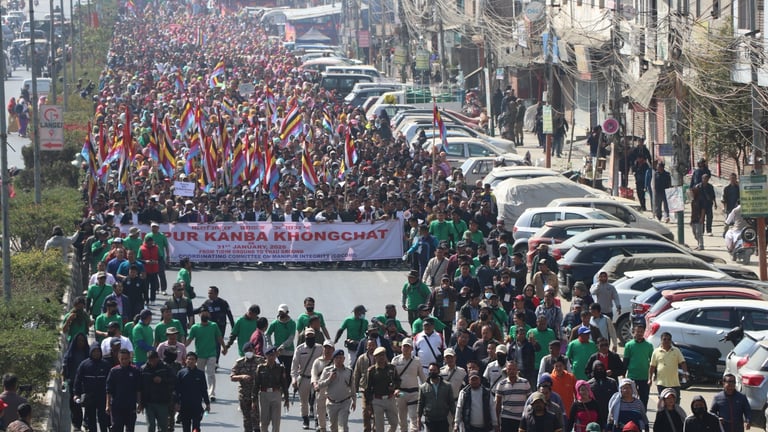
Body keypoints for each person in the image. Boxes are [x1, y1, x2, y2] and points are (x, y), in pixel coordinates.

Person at [185, 306, 227, 401]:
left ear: (209, 314)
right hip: (199, 355)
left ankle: (211, 393)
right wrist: (182, 348)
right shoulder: (195, 328)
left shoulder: (213, 326)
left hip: (211, 354)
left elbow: (219, 337)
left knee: (211, 373)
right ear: (199, 315)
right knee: (199, 375)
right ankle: (200, 392)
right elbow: (189, 340)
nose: (205, 314)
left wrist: (224, 347)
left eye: (206, 312)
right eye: (203, 312)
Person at [74, 343, 111, 432]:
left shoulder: (106, 365)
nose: (96, 353)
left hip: (102, 396)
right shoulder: (84, 364)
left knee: (103, 419)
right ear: (91, 352)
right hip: (89, 397)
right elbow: (78, 380)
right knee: (91, 420)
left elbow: (111, 382)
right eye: (94, 351)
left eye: (98, 351)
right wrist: (76, 394)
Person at [252, 346, 290, 432]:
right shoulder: (260, 368)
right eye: (269, 355)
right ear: (266, 356)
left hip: (276, 394)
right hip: (264, 395)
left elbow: (284, 384)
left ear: (276, 356)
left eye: (273, 355)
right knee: (264, 421)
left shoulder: (280, 368)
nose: (271, 357)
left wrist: (286, 399)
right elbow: (256, 384)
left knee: (276, 421)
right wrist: (254, 400)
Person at [392, 337, 425, 432]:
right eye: (404, 346)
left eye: (408, 347)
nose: (406, 349)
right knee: (402, 419)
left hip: (413, 393)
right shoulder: (395, 360)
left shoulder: (417, 361)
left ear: (412, 348)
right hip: (401, 393)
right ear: (401, 347)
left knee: (414, 418)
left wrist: (427, 389)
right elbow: (392, 378)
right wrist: (394, 389)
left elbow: (422, 377)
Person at [292, 328, 324, 429]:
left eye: (311, 336)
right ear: (305, 337)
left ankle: (317, 421)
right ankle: (305, 420)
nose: (310, 338)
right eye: (308, 336)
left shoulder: (320, 348)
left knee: (317, 402)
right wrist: (294, 379)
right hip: (303, 378)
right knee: (304, 401)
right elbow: (294, 366)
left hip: (316, 379)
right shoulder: (299, 349)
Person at [318, 348, 356, 432]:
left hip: (345, 402)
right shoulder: (327, 370)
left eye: (341, 358)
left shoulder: (349, 371)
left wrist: (354, 400)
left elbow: (352, 387)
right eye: (337, 358)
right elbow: (319, 385)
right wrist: (329, 379)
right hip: (332, 403)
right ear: (333, 359)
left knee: (343, 427)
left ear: (344, 359)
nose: (339, 360)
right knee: (333, 427)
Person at [196, 286, 235, 364]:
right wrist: (188, 311)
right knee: (210, 344)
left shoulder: (223, 303)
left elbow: (229, 315)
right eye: (208, 293)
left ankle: (216, 362)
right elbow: (198, 310)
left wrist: (233, 328)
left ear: (216, 294)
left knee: (217, 344)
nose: (209, 295)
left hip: (220, 327)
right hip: (210, 328)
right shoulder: (207, 303)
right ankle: (208, 359)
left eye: (211, 293)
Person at [105, 349, 141, 432]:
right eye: (122, 359)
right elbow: (108, 389)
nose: (124, 361)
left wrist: (139, 403)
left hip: (130, 406)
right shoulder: (114, 371)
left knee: (130, 429)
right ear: (119, 359)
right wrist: (107, 404)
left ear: (130, 358)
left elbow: (138, 389)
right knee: (116, 429)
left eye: (126, 358)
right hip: (117, 406)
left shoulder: (135, 371)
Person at [230, 342, 263, 432]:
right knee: (247, 417)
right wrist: (242, 376)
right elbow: (232, 377)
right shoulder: (239, 362)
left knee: (256, 417)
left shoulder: (260, 360)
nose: (249, 352)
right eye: (247, 351)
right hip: (244, 393)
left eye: (251, 350)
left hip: (256, 393)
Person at [174, 352, 210, 432]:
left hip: (196, 405)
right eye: (189, 359)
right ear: (186, 360)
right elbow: (177, 389)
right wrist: (176, 403)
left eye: (192, 359)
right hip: (184, 405)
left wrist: (207, 404)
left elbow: (204, 390)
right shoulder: (181, 373)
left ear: (196, 361)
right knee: (186, 427)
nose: (190, 361)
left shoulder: (200, 374)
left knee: (196, 427)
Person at [366, 346, 400, 432]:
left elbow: (398, 380)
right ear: (375, 357)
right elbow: (368, 388)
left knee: (394, 423)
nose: (381, 357)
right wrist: (368, 404)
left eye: (383, 355)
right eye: (379, 356)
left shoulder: (392, 368)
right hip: (377, 400)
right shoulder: (372, 371)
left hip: (390, 398)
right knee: (379, 427)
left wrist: (395, 387)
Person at [648, 332, 688, 403]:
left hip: (674, 383)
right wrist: (650, 379)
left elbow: (683, 362)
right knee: (663, 403)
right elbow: (652, 366)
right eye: (664, 339)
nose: (666, 341)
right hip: (661, 383)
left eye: (669, 339)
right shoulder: (656, 352)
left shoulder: (676, 351)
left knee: (675, 403)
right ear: (661, 340)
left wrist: (685, 373)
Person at [139, 350, 174, 432]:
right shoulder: (143, 369)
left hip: (162, 402)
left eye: (155, 360)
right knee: (151, 426)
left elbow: (173, 381)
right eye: (150, 360)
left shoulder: (165, 367)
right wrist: (140, 403)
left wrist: (162, 380)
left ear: (158, 358)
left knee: (163, 427)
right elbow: (140, 387)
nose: (153, 362)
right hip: (149, 402)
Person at [494, 359, 531, 432]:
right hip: (506, 418)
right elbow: (498, 404)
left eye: (513, 369)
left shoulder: (525, 383)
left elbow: (529, 401)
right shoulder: (501, 384)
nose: (511, 371)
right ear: (506, 370)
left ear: (517, 370)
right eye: (509, 369)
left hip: (521, 418)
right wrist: (497, 421)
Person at [62, 333, 89, 432]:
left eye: (83, 341)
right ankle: (77, 424)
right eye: (79, 341)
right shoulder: (70, 353)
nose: (81, 343)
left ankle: (86, 422)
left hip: (86, 382)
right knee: (75, 404)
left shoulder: (88, 353)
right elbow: (65, 366)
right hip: (73, 382)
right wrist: (64, 380)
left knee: (87, 403)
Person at [417, 362, 455, 432]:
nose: (432, 372)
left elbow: (451, 402)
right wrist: (418, 419)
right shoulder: (423, 387)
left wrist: (454, 418)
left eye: (434, 370)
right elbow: (420, 403)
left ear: (438, 371)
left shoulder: (447, 386)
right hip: (430, 420)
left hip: (443, 419)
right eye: (430, 370)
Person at [622, 323, 653, 407]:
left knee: (644, 398)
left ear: (644, 332)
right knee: (631, 397)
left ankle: (643, 416)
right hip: (632, 376)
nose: (639, 333)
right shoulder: (628, 345)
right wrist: (623, 374)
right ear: (633, 332)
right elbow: (626, 360)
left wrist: (652, 376)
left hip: (644, 377)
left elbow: (653, 362)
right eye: (637, 331)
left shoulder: (649, 346)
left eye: (641, 331)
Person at [588, 360, 618, 427]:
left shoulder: (612, 382)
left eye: (601, 369)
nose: (599, 371)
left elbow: (617, 399)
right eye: (597, 369)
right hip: (595, 415)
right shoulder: (589, 384)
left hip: (609, 414)